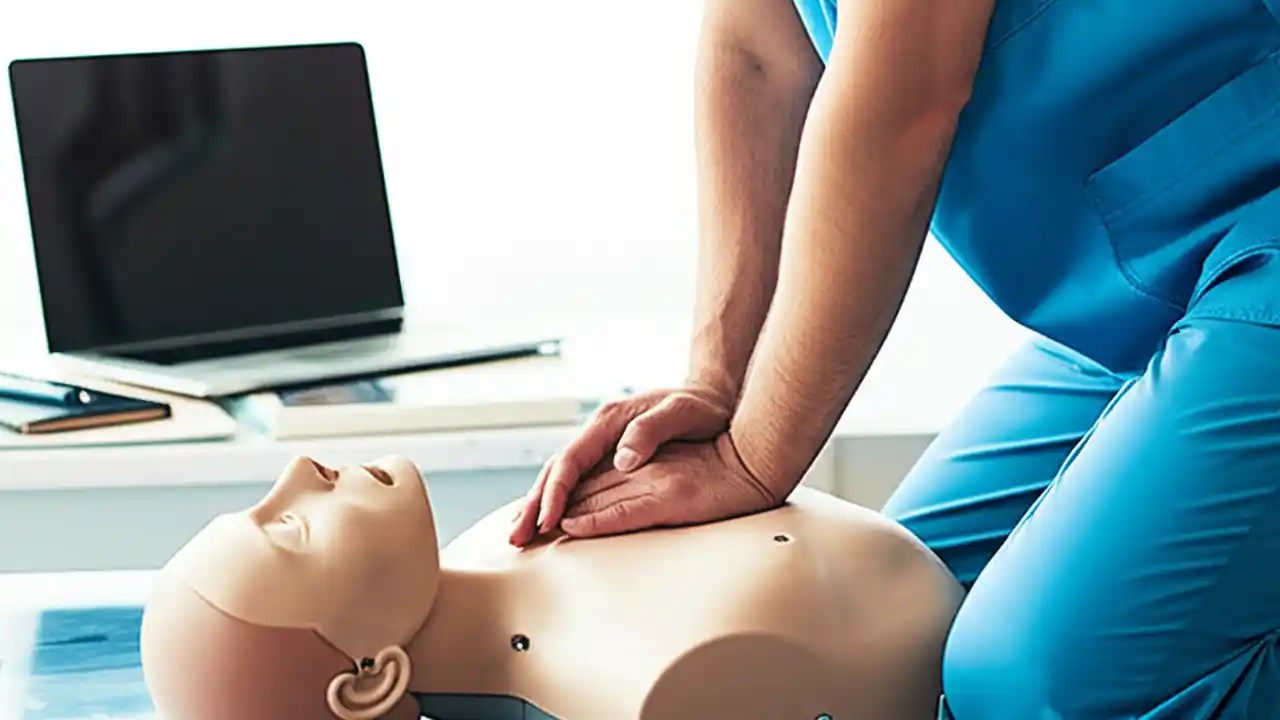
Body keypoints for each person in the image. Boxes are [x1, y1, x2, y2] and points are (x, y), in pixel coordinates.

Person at [509, 1, 1280, 717]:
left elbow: (904, 101)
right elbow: (758, 50)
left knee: (1033, 685)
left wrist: (753, 455)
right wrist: (716, 379)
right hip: (1136, 293)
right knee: (888, 619)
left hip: (1255, 231)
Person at [141, 455, 962, 719]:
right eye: (290, 531)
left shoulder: (487, 544)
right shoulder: (651, 689)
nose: (296, 473)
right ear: (371, 681)